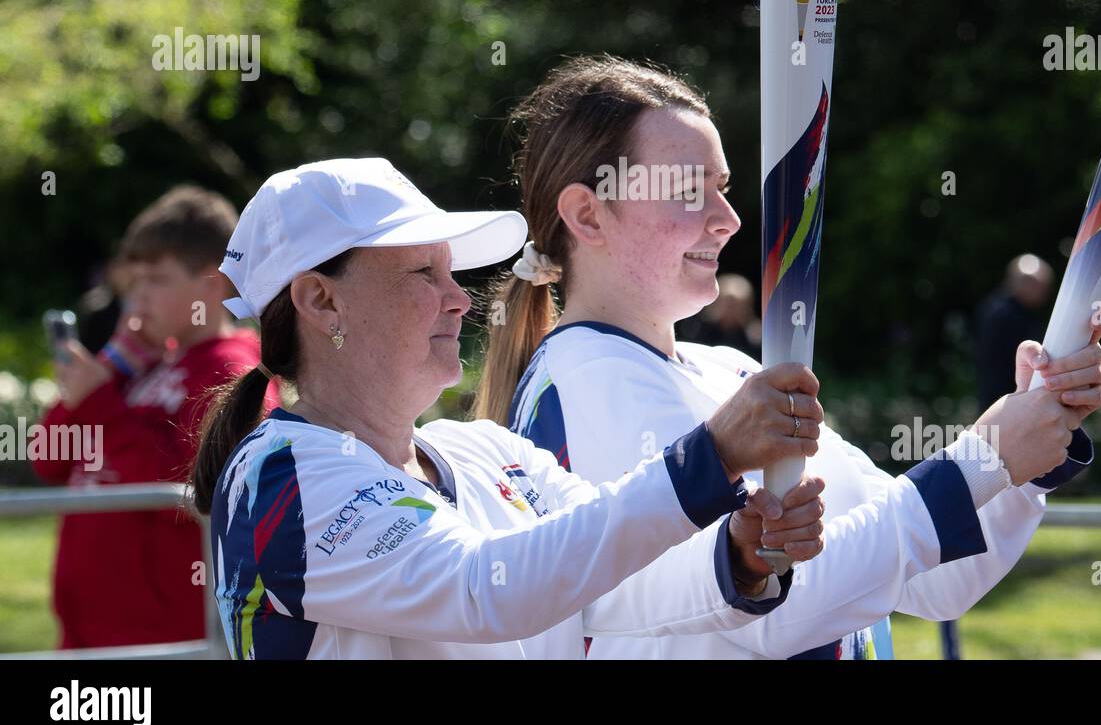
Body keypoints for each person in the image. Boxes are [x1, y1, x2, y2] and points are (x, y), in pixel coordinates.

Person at [477, 55, 1101, 660]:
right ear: (588, 214)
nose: (727, 219)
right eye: (688, 190)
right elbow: (764, 606)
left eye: (722, 188)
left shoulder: (732, 371)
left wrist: (1029, 446)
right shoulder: (582, 378)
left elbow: (934, 581)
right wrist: (985, 457)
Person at [191, 157, 828, 660]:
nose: (458, 300)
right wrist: (710, 455)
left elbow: (611, 584)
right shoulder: (277, 475)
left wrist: (739, 558)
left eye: (451, 274)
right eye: (422, 273)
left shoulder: (484, 449)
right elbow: (484, 589)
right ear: (321, 302)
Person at [32, 185, 277, 649]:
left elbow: (200, 491)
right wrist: (109, 370)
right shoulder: (140, 367)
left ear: (211, 284)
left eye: (156, 281)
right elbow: (48, 461)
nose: (137, 298)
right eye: (134, 281)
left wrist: (101, 399)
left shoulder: (231, 370)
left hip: (165, 639)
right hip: (88, 633)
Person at [974, 255, 1055, 410]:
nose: (1044, 291)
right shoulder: (1004, 315)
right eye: (1035, 284)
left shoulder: (1022, 313)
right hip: (1004, 404)